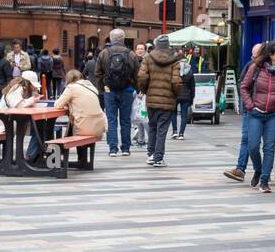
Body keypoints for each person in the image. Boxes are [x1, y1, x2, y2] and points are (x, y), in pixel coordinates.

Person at [240, 41, 275, 192]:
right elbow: (244, 87)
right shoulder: (256, 68)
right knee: (253, 146)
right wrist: (250, 105)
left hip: (274, 115)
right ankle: (258, 169)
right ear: (270, 54)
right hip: (255, 113)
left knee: (269, 148)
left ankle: (264, 180)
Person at [136, 34, 181, 166]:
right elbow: (176, 82)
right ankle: (158, 158)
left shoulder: (148, 58)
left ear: (156, 45)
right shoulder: (174, 61)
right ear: (168, 45)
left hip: (151, 99)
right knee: (162, 129)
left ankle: (150, 155)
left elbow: (142, 77)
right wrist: (175, 94)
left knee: (152, 127)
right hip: (167, 101)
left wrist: (144, 90)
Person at [94, 28, 139, 157]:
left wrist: (103, 88)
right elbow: (137, 74)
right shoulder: (130, 54)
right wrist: (135, 88)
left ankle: (112, 149)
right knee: (125, 120)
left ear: (111, 39)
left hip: (110, 91)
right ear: (123, 39)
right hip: (126, 91)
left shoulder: (104, 53)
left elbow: (98, 73)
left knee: (111, 120)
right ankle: (125, 148)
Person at [224, 42, 265, 183]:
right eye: (253, 56)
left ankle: (263, 171)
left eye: (257, 55)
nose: (255, 59)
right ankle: (241, 169)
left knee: (265, 144)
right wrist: (249, 104)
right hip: (251, 110)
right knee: (248, 140)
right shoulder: (250, 66)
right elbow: (242, 85)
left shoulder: (272, 68)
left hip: (268, 111)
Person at [55, 68, 106, 138]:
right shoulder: (91, 87)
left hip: (85, 128)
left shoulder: (71, 87)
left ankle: (63, 148)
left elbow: (57, 105)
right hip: (99, 127)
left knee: (75, 123)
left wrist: (68, 104)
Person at [174, 55, 194, 138]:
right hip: (186, 96)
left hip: (175, 94)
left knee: (173, 113)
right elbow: (192, 86)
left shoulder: (174, 70)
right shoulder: (189, 71)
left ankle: (175, 131)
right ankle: (181, 133)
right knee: (184, 115)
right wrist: (192, 98)